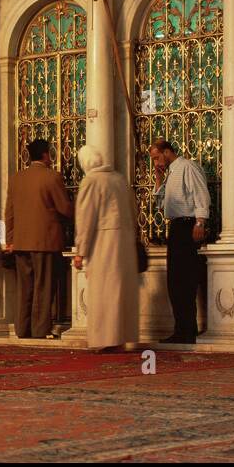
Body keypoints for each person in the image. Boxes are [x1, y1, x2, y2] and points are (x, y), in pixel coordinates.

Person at [3, 138, 74, 340]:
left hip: (21, 242)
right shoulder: (52, 177)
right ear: (45, 155)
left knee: (25, 288)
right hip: (45, 241)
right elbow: (64, 208)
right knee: (44, 287)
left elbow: (9, 212)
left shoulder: (16, 178)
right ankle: (40, 329)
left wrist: (10, 239)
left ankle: (22, 329)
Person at [73, 146, 139, 353]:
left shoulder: (91, 181)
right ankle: (120, 337)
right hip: (124, 243)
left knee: (105, 293)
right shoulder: (119, 179)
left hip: (104, 243)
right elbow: (134, 211)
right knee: (120, 292)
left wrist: (80, 250)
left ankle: (108, 338)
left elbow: (86, 218)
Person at [149, 139, 210, 344]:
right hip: (176, 226)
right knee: (175, 282)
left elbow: (200, 194)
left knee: (185, 280)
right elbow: (161, 203)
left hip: (188, 225)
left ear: (167, 152)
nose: (156, 162)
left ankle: (187, 330)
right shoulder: (171, 173)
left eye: (157, 157)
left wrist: (200, 223)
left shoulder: (187, 167)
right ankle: (181, 329)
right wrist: (158, 177)